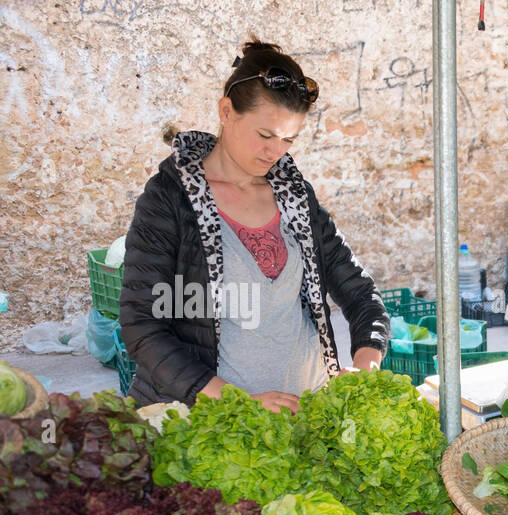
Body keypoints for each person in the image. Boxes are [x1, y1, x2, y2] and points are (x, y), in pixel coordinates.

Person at [119, 40, 390, 413]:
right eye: (265, 135)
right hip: (211, 426)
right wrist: (237, 404)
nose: (275, 152)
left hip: (305, 418)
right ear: (226, 111)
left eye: (288, 139)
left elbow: (362, 295)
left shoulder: (294, 196)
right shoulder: (170, 199)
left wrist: (365, 368)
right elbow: (143, 327)